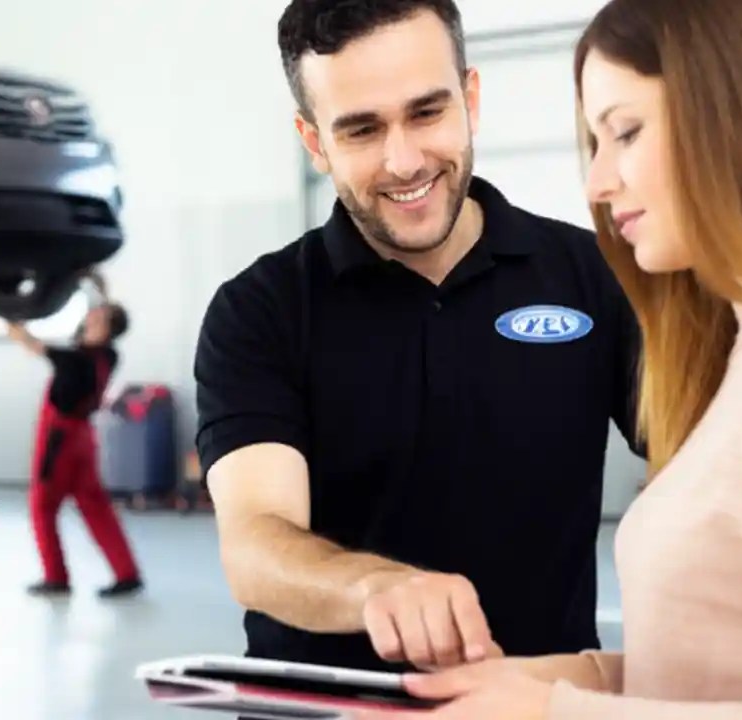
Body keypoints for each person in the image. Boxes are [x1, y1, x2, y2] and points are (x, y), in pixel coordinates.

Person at [357, 0, 742, 717]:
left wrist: (552, 714)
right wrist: (550, 684)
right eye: (595, 141)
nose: (597, 183)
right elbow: (714, 671)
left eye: (626, 132)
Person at [193, 0, 644, 673]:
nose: (403, 161)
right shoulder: (259, 310)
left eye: (427, 113)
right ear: (314, 142)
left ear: (470, 100)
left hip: (530, 704)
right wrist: (377, 588)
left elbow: (709, 463)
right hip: (324, 710)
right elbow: (255, 544)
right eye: (362, 130)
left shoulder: (598, 277)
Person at [7, 273, 144, 599]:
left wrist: (8, 308)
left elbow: (26, 340)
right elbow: (101, 312)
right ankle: (127, 574)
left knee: (42, 506)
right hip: (84, 439)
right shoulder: (108, 356)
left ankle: (56, 578)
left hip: (59, 439)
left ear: (107, 330)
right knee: (95, 506)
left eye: (99, 318)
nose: (91, 316)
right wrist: (95, 281)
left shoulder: (73, 359)